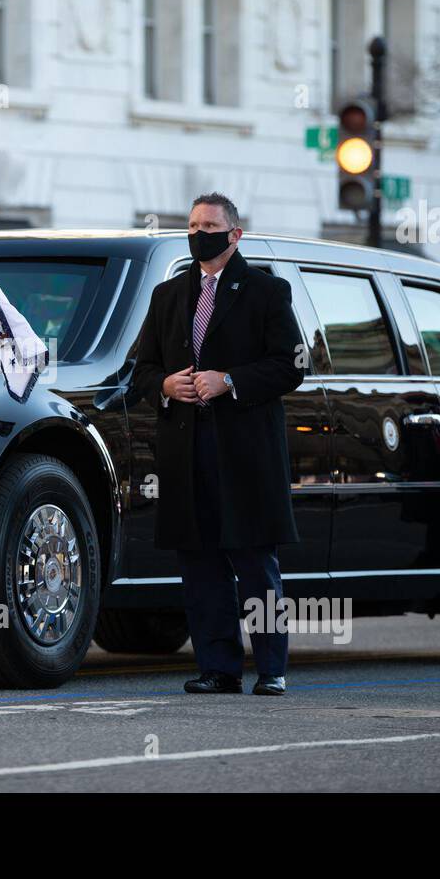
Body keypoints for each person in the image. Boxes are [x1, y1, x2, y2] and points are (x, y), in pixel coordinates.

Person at [132, 193, 303, 695]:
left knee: (253, 563)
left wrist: (228, 379)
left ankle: (272, 668)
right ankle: (218, 668)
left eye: (208, 224)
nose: (197, 232)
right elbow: (142, 370)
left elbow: (292, 364)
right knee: (200, 564)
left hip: (245, 453)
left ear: (234, 234)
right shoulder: (168, 295)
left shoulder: (268, 292)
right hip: (186, 452)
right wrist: (167, 385)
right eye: (191, 224)